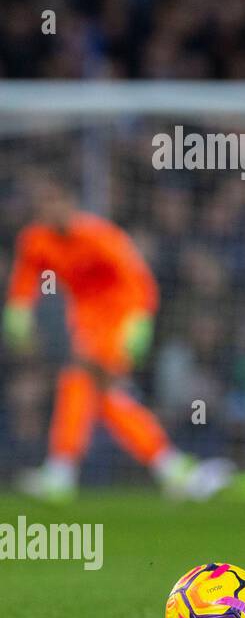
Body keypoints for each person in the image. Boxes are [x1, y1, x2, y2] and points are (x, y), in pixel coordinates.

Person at [3, 178, 232, 501]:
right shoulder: (36, 240)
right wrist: (19, 308)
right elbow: (27, 276)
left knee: (79, 380)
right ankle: (171, 467)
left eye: (56, 203)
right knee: (106, 398)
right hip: (84, 320)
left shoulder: (99, 236)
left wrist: (139, 320)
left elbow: (136, 278)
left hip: (117, 318)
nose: (51, 212)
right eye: (43, 206)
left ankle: (62, 470)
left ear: (70, 204)